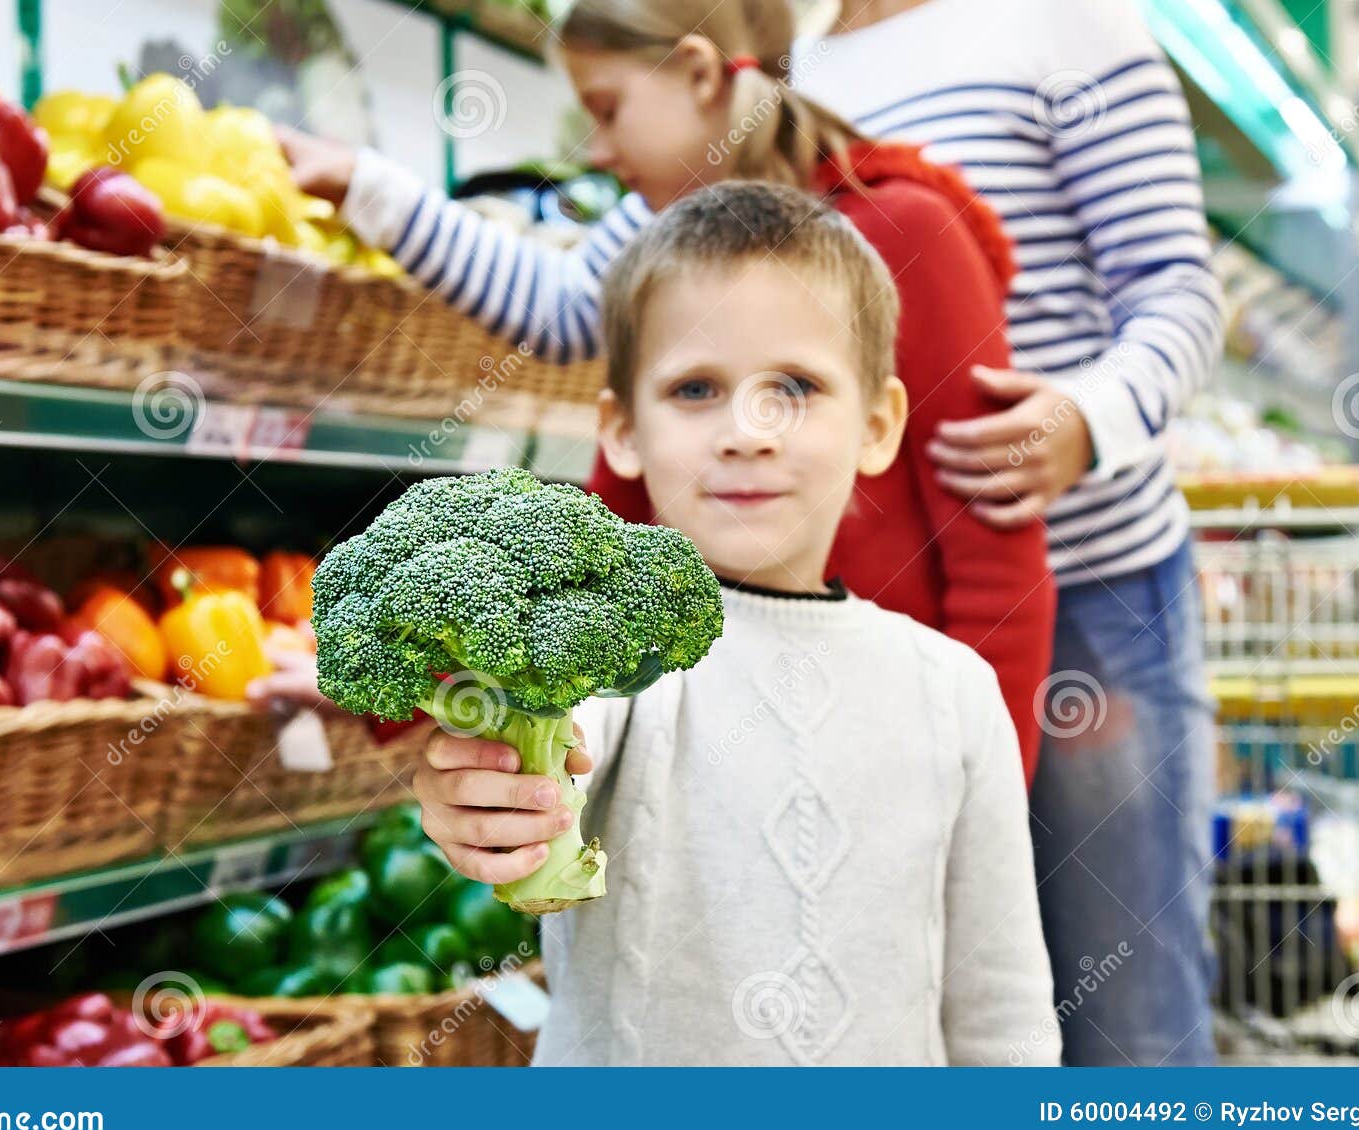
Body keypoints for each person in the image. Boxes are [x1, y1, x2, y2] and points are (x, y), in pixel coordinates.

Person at [284, 0, 1220, 1065]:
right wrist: (458, 735)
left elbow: (1178, 293)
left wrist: (1091, 419)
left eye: (603, 109)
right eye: (693, 388)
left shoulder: (1054, 50)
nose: (744, 427)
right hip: (762, 630)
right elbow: (564, 314)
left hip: (1072, 575)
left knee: (1114, 979)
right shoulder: (735, 143)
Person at [278, 0, 1055, 780]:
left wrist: (978, 784)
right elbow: (600, 556)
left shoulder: (905, 229)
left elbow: (995, 554)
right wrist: (402, 679)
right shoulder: (657, 248)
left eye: (609, 111)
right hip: (723, 764)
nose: (602, 150)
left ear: (697, 71)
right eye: (692, 390)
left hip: (886, 752)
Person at [415, 180, 1057, 1065]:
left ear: (877, 425)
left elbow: (1003, 1008)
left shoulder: (955, 691)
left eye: (793, 386)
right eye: (695, 388)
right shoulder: (605, 667)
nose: (746, 431)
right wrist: (486, 804)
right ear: (623, 430)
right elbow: (547, 769)